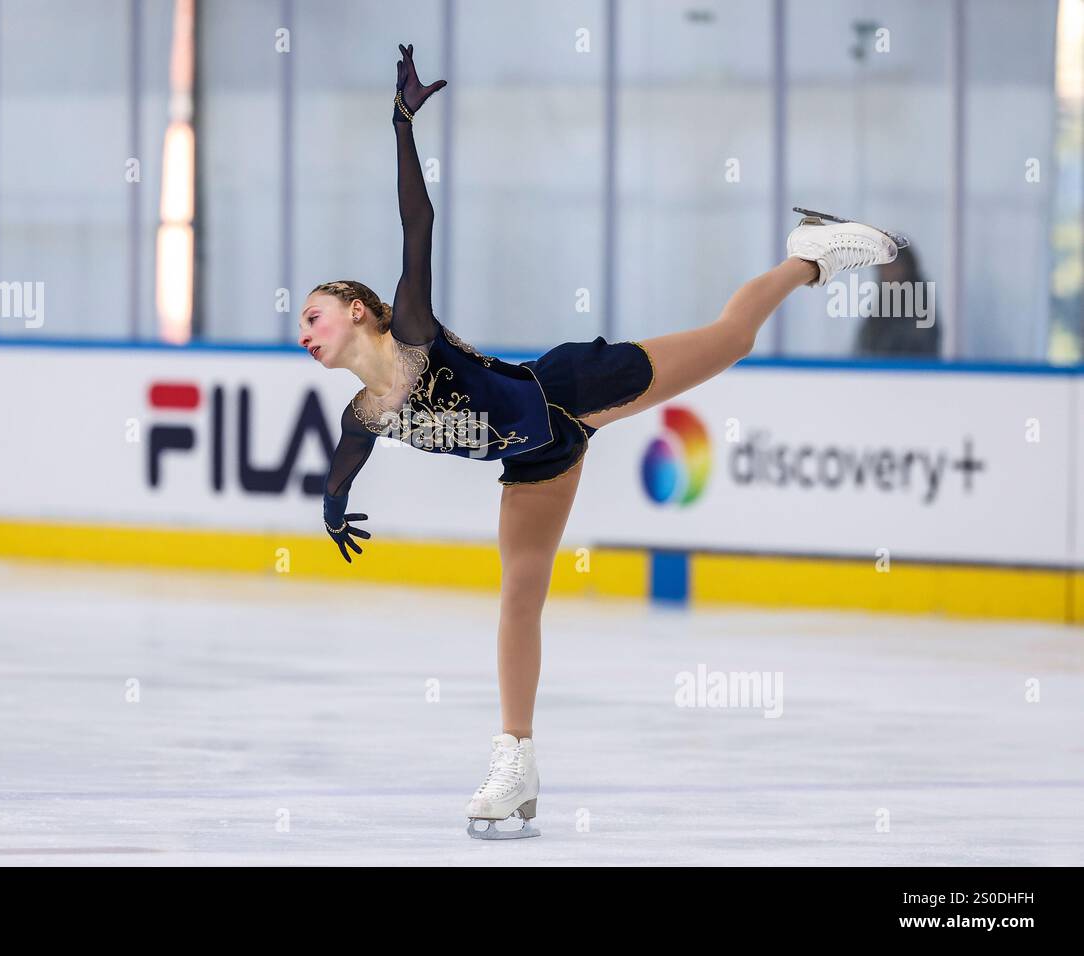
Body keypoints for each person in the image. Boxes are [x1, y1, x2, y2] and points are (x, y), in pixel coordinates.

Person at [297, 44, 901, 839]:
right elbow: (346, 465)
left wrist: (402, 123)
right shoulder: (362, 414)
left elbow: (420, 220)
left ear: (361, 312)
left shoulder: (409, 332)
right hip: (535, 456)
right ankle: (515, 763)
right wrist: (334, 508)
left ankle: (808, 256)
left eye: (313, 315)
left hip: (573, 388)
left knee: (731, 341)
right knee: (519, 596)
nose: (304, 332)